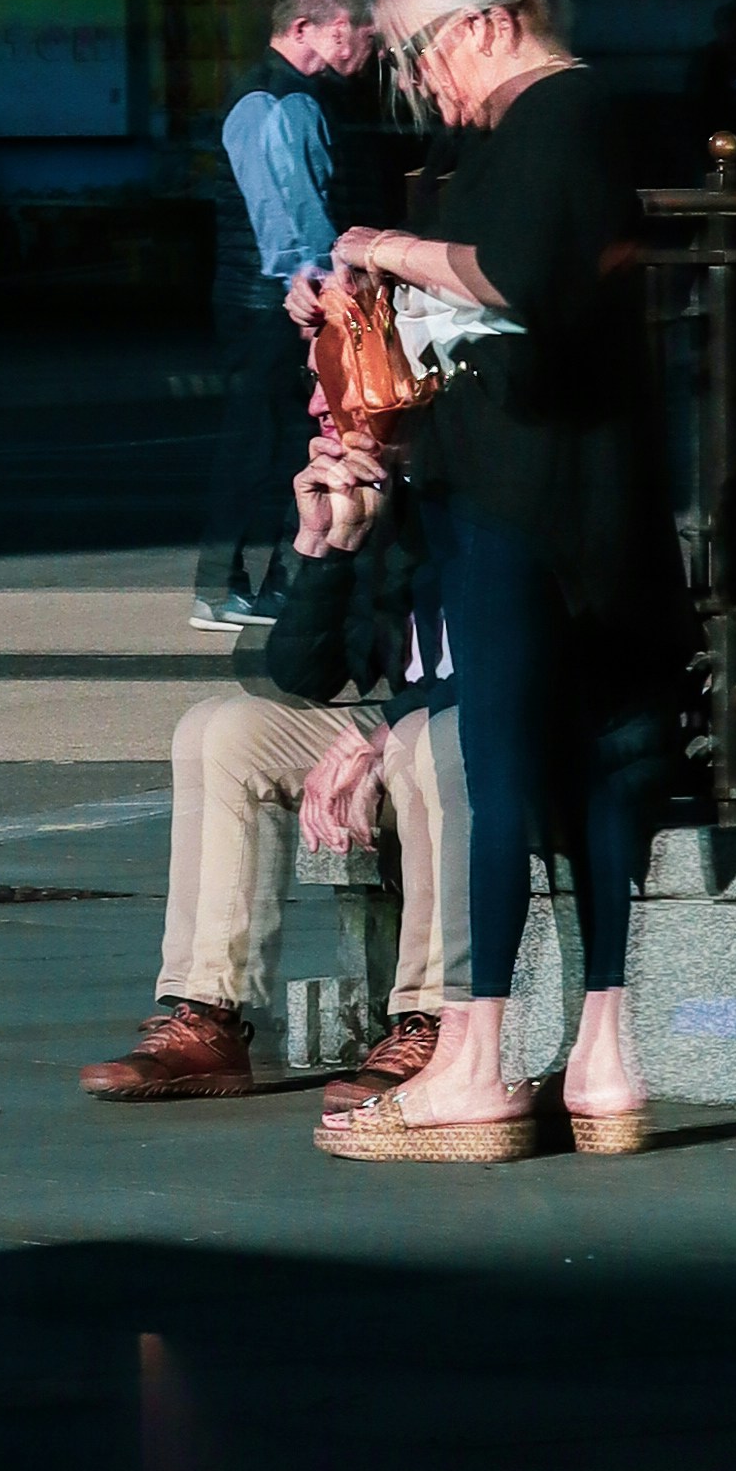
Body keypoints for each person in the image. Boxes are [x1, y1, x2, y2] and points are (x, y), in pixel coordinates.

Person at [309, 0, 688, 1165]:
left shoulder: (550, 117)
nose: (420, 86)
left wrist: (382, 248)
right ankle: (603, 1060)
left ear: (483, 25)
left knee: (505, 767)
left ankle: (474, 1060)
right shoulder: (576, 121)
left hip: (525, 497)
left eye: (422, 55)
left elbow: (522, 272)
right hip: (582, 485)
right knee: (596, 766)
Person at [87, 443, 460, 1102]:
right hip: (408, 720)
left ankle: (428, 1017)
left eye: (332, 375)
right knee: (223, 730)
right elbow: (298, 675)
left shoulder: (475, 457)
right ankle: (212, 1013)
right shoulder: (382, 488)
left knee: (422, 742)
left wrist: (383, 729)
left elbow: (524, 648)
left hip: (496, 722)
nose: (321, 413)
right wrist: (327, 544)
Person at [196, 0, 386, 626]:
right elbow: (287, 213)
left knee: (267, 437)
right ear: (322, 29)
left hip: (261, 295)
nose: (373, 53)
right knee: (267, 441)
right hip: (274, 301)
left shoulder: (279, 95)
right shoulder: (278, 100)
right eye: (367, 37)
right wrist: (312, 289)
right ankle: (229, 587)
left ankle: (236, 584)